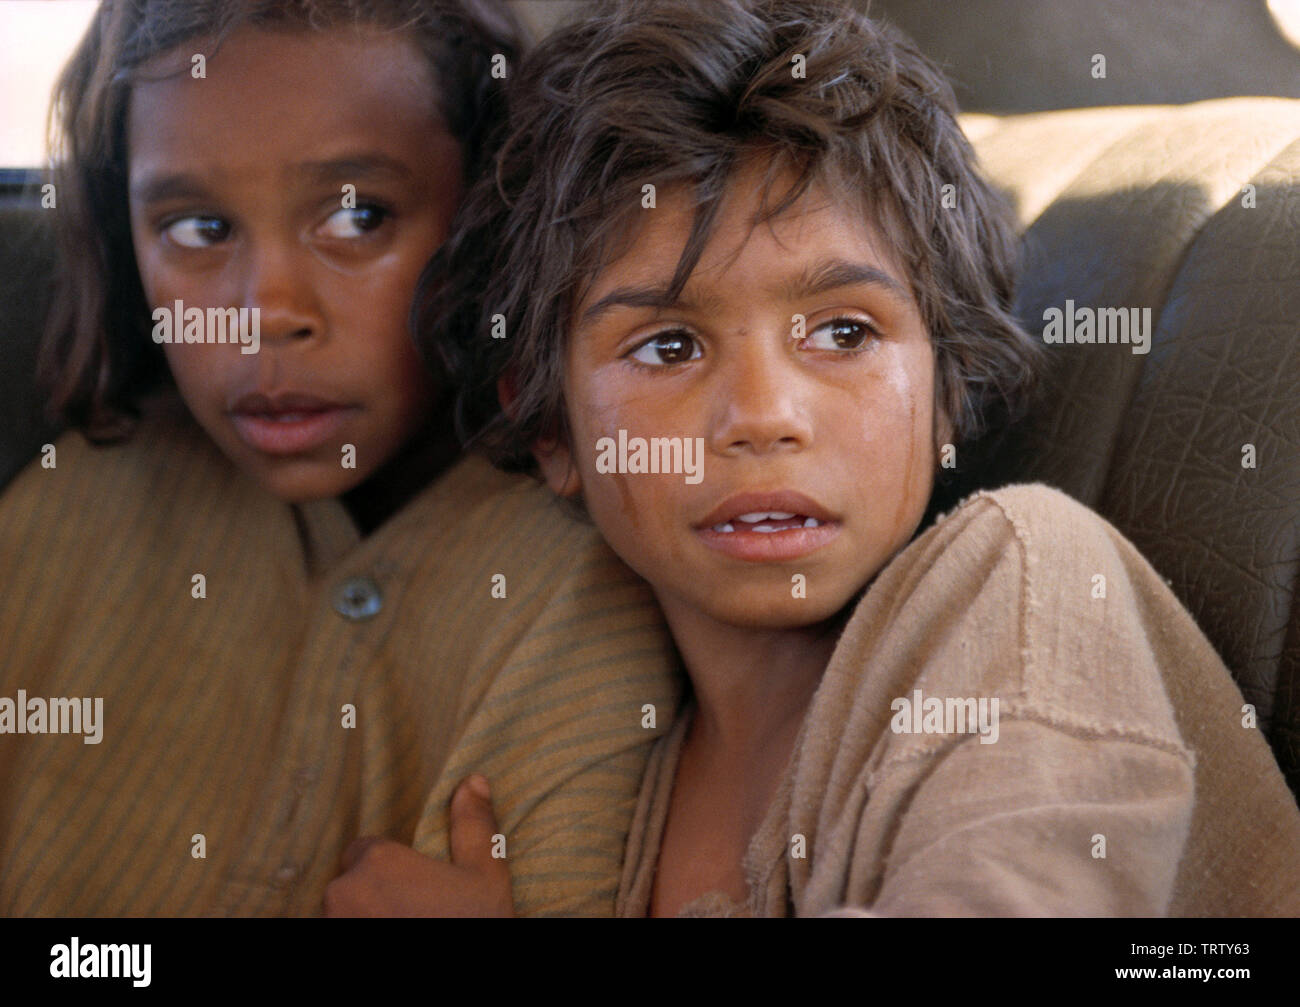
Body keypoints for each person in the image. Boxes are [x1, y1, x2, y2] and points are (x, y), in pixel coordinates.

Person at [413, 0, 1300, 915]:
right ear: (553, 431)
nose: (764, 417)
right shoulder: (605, 763)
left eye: (843, 332)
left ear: (948, 388)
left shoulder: (1021, 587)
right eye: (669, 347)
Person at [0, 0, 679, 917]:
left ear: (487, 213)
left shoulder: (589, 581)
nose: (266, 311)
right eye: (199, 230)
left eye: (358, 216)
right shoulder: (68, 507)